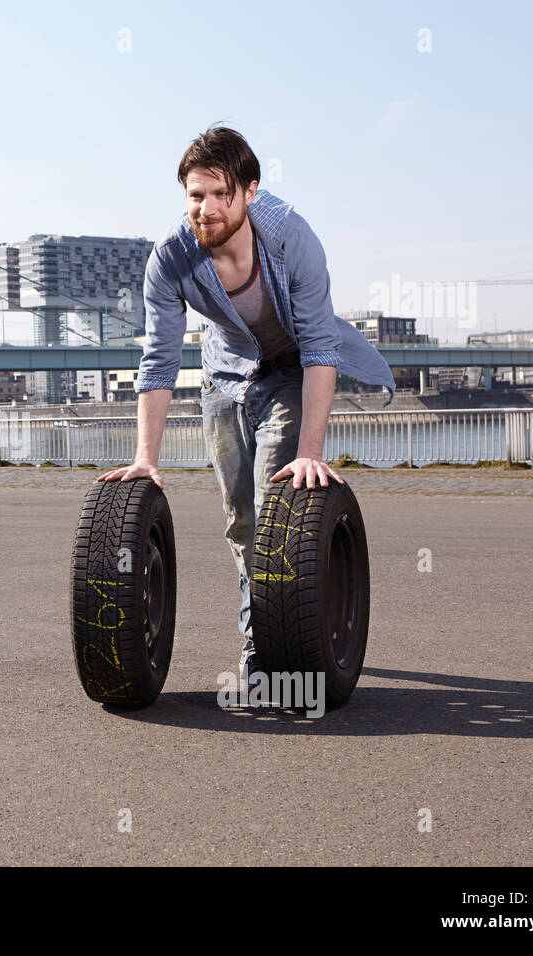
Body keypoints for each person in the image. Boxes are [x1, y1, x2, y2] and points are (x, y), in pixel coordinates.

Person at [97, 125, 394, 684]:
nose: (205, 208)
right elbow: (159, 361)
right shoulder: (171, 259)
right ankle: (264, 633)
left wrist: (311, 451)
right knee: (241, 522)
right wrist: (145, 458)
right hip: (225, 378)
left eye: (219, 194)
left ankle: (279, 643)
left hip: (290, 372)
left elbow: (320, 347)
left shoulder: (291, 239)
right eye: (194, 195)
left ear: (249, 192)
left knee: (275, 506)